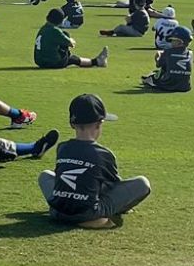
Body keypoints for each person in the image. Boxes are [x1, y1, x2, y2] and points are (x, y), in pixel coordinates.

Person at [39, 94, 151, 228]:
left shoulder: (62, 148)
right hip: (88, 213)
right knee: (142, 183)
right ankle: (94, 219)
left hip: (57, 211)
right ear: (99, 124)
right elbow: (112, 185)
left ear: (72, 124)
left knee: (45, 175)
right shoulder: (104, 154)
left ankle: (69, 211)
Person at [37, 8, 110, 68]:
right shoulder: (55, 30)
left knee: (71, 58)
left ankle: (97, 61)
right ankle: (97, 62)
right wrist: (71, 40)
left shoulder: (43, 28)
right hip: (52, 63)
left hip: (40, 62)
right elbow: (71, 44)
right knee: (70, 54)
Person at [140, 25, 193, 92]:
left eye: (173, 40)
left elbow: (159, 65)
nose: (171, 42)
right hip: (185, 87)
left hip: (167, 86)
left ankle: (150, 80)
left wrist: (158, 56)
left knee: (158, 73)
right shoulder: (190, 54)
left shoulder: (168, 52)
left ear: (180, 41)